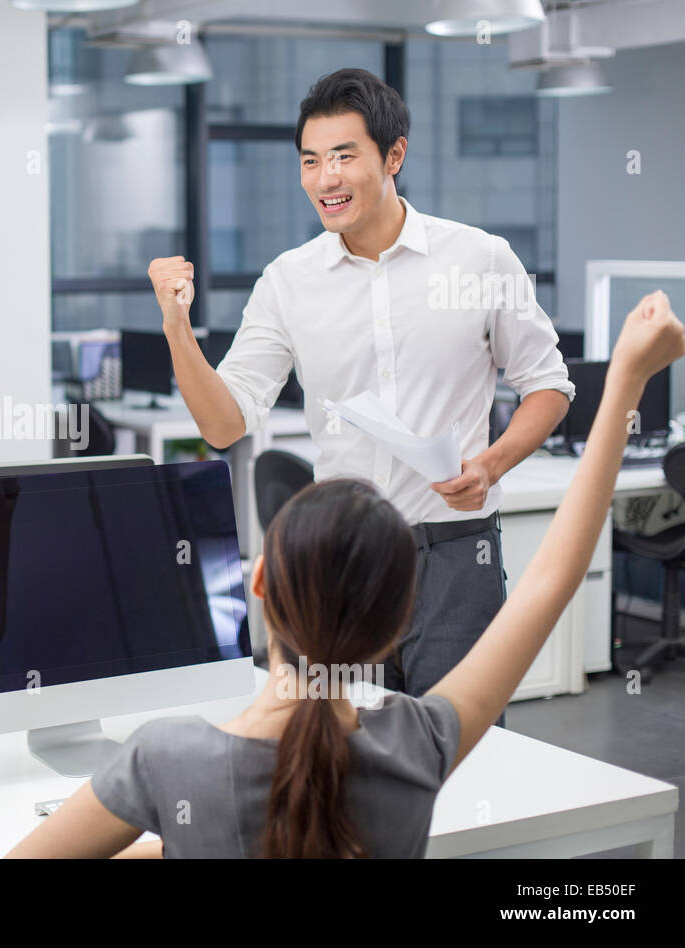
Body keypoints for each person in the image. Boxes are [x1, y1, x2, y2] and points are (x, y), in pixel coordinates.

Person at [9, 291, 683, 858]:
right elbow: (549, 583)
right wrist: (628, 377)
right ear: (395, 623)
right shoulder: (420, 743)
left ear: (260, 579)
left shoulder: (166, 760)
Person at [147, 69, 575, 706]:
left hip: (456, 556)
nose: (326, 179)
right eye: (311, 161)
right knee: (341, 766)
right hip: (343, 562)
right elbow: (223, 423)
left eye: (345, 156)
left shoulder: (479, 260)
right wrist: (177, 330)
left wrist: (490, 463)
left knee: (464, 763)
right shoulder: (288, 281)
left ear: (394, 154)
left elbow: (549, 386)